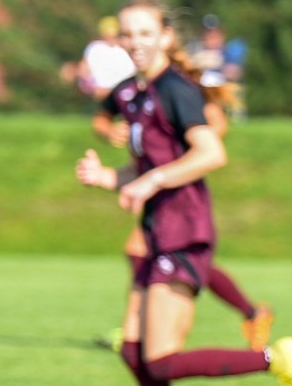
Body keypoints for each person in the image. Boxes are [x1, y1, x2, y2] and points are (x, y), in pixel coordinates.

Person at [75, 0, 292, 386]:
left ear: (165, 36)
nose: (136, 42)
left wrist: (151, 180)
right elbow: (150, 165)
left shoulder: (176, 89)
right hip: (157, 232)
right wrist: (110, 177)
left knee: (160, 360)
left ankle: (277, 358)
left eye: (146, 33)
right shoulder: (139, 94)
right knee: (131, 350)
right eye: (128, 34)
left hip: (183, 231)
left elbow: (210, 153)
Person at [92, 83, 274, 352]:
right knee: (170, 260)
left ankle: (143, 327)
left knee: (149, 254)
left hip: (179, 194)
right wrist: (111, 133)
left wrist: (178, 151)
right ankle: (249, 313)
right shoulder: (134, 88)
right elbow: (101, 118)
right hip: (155, 189)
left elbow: (215, 128)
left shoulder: (177, 87)